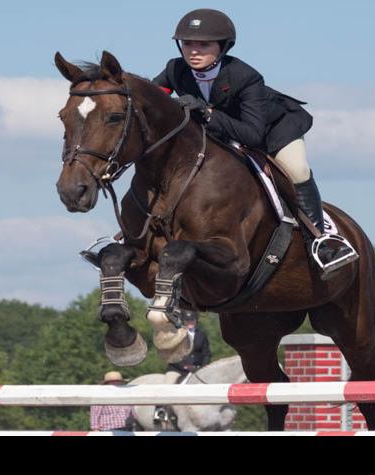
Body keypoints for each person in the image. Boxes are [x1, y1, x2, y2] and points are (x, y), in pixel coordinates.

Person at [152, 8, 359, 276]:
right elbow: (153, 97)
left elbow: (252, 135)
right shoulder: (175, 69)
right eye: (188, 43)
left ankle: (320, 243)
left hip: (273, 131)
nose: (193, 51)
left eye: (203, 44)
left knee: (296, 170)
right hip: (224, 134)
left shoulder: (245, 77)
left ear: (223, 46)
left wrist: (205, 113)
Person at [166, 310, 211, 378]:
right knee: (169, 383)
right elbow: (172, 356)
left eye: (192, 320)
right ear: (183, 321)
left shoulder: (202, 335)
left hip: (197, 369)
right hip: (177, 370)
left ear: (196, 320)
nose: (190, 322)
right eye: (187, 320)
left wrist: (203, 367)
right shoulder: (175, 334)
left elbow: (206, 354)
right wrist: (185, 366)